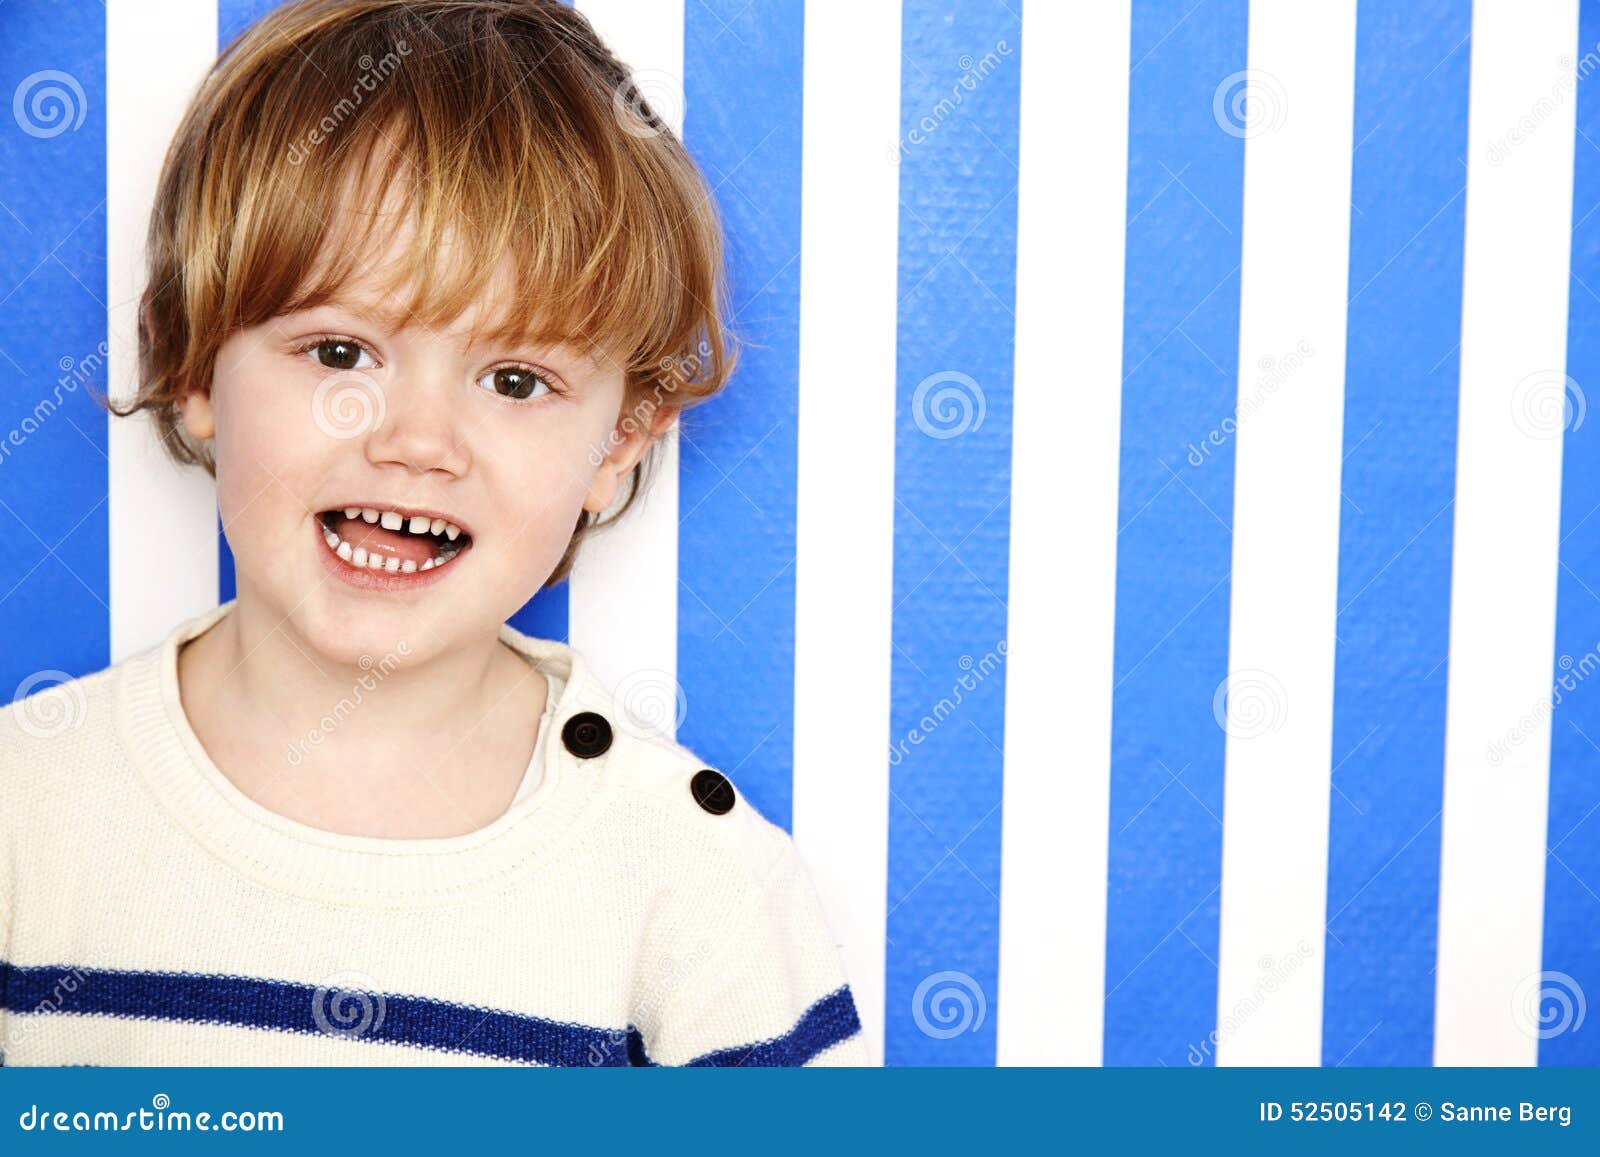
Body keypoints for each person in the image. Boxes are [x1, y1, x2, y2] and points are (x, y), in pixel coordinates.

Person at [0, 0, 865, 1067]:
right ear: (193, 363)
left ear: (619, 444)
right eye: (339, 352)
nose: (416, 441)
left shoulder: (698, 889)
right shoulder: (25, 814)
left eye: (516, 380)